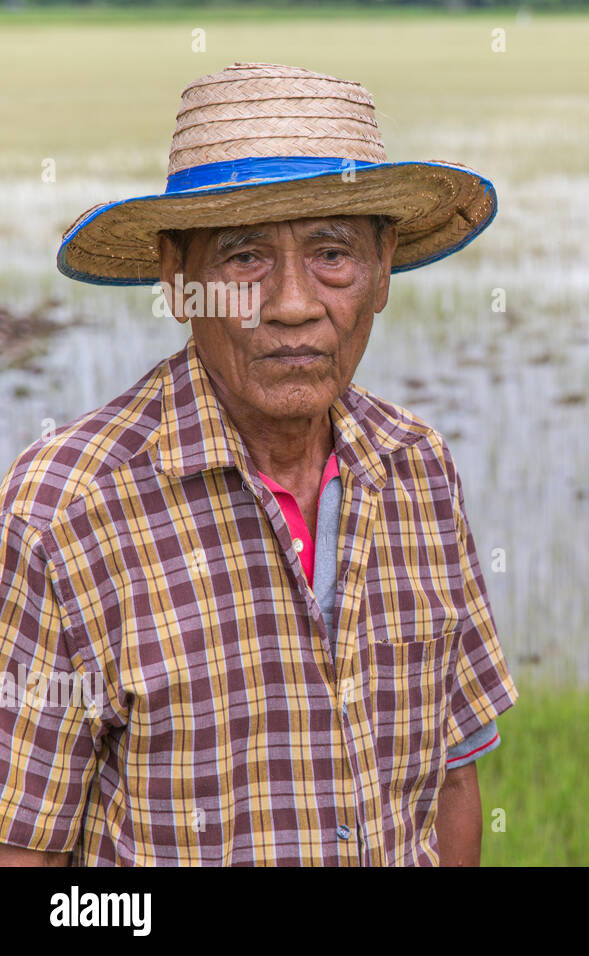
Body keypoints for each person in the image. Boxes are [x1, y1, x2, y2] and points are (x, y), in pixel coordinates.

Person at [0, 62, 517, 865]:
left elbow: (452, 785)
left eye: (333, 254)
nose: (293, 304)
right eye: (244, 258)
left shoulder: (419, 471)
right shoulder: (62, 514)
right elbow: (23, 850)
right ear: (178, 279)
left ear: (382, 270)